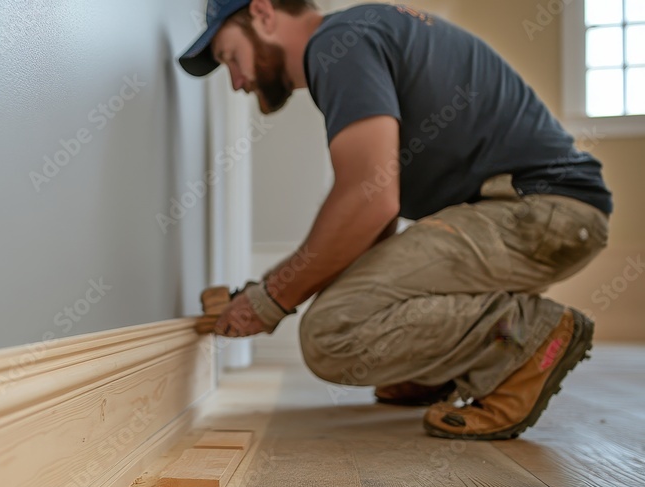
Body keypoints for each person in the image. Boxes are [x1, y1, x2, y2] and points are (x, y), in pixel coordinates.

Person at [178, 0, 612, 439]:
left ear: (263, 13)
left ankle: (523, 339)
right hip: (543, 213)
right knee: (351, 302)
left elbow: (369, 200)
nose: (236, 83)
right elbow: (370, 226)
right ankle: (438, 369)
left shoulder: (338, 44)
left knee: (331, 333)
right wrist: (271, 291)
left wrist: (271, 299)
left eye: (231, 58)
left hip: (539, 211)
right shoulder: (358, 36)